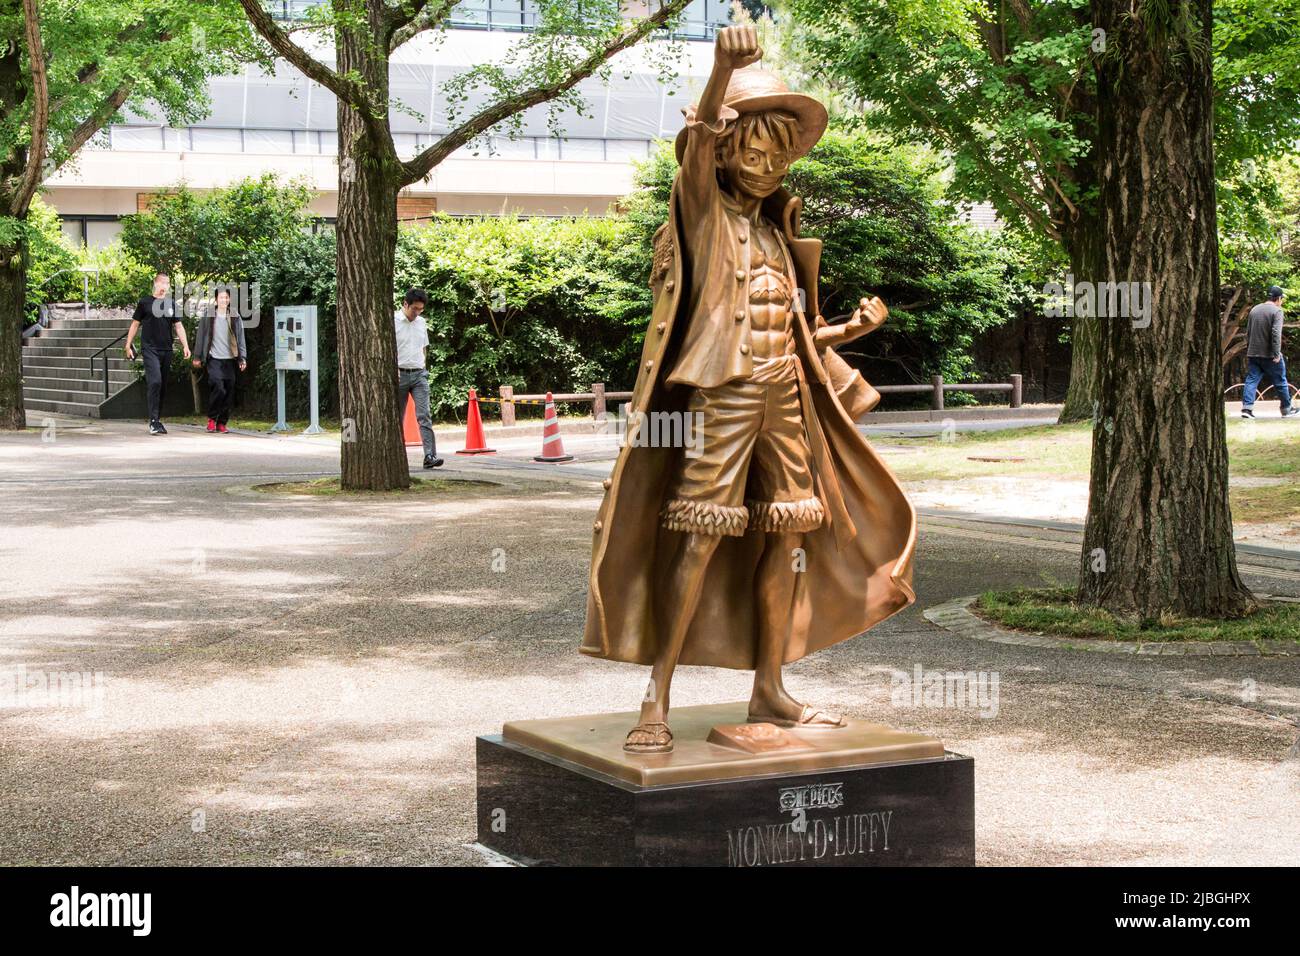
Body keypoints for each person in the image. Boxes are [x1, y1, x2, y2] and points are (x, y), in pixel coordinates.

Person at [580, 26, 915, 753]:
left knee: (791, 533)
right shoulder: (703, 213)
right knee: (698, 537)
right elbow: (696, 142)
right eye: (751, 150)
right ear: (727, 152)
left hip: (786, 399)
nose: (765, 165)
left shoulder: (780, 234)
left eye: (778, 154)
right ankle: (657, 692)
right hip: (723, 399)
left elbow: (790, 328)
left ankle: (770, 686)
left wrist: (845, 335)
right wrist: (720, 70)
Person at [125, 273, 191, 434]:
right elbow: (135, 325)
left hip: (166, 349)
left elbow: (178, 326)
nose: (164, 286)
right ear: (155, 283)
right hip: (149, 349)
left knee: (161, 386)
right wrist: (128, 345)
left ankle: (157, 419)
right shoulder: (145, 302)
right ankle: (154, 421)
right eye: (162, 282)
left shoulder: (171, 304)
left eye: (167, 283)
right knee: (155, 381)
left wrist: (185, 345)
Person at [394, 288, 442, 468]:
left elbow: (424, 347)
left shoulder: (421, 323)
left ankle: (430, 455)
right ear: (405, 304)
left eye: (420, 309)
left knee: (424, 415)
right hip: (399, 373)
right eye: (414, 308)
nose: (417, 313)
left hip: (419, 373)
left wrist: (423, 366)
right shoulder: (393, 321)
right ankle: (396, 456)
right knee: (397, 416)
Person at [192, 287, 248, 433]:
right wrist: (197, 356)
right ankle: (211, 419)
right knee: (218, 387)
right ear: (216, 299)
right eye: (221, 297)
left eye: (226, 298)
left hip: (230, 360)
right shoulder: (209, 315)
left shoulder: (235, 316)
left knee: (229, 391)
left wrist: (242, 358)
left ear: (229, 299)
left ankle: (222, 422)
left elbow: (240, 338)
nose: (224, 300)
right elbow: (201, 336)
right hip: (214, 358)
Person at [1242, 285, 1298, 419]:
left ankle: (1247, 409)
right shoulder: (1277, 311)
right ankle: (1286, 409)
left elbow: (1248, 332)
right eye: (1281, 299)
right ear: (1278, 298)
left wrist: (1249, 349)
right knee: (1280, 380)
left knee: (1251, 380)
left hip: (1253, 353)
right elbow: (1276, 333)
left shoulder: (1254, 309)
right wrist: (1276, 353)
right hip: (1269, 355)